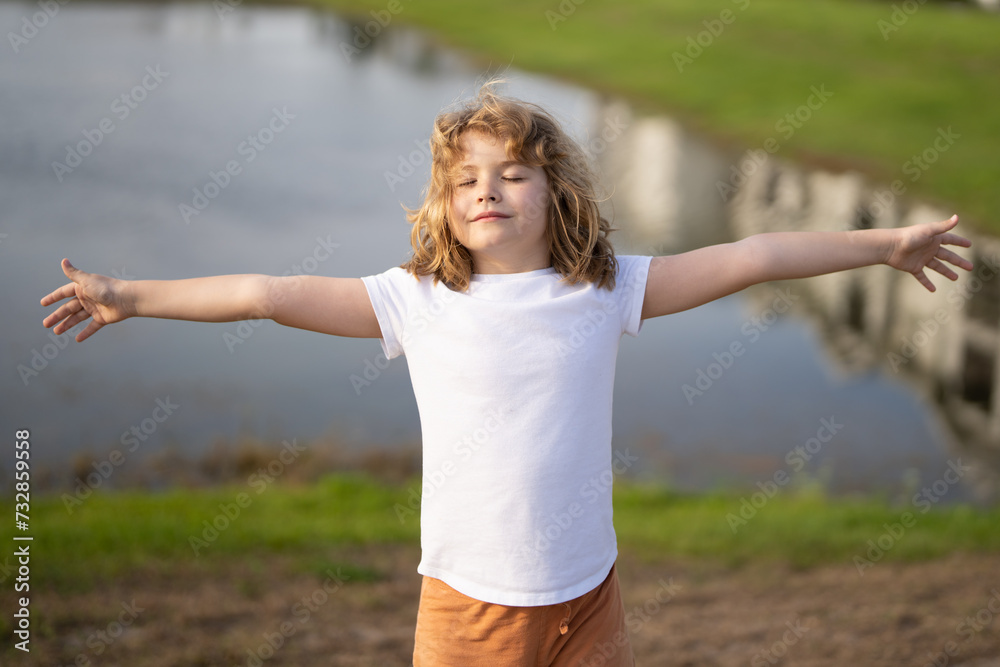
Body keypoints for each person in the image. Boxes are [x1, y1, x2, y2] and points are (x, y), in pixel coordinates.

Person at [40, 81, 973, 666]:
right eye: (465, 179)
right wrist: (133, 294)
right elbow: (266, 292)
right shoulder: (417, 300)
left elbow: (755, 253)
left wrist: (884, 243)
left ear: (556, 193)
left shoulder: (607, 288)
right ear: (444, 211)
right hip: (469, 608)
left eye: (513, 173)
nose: (486, 188)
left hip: (588, 595)